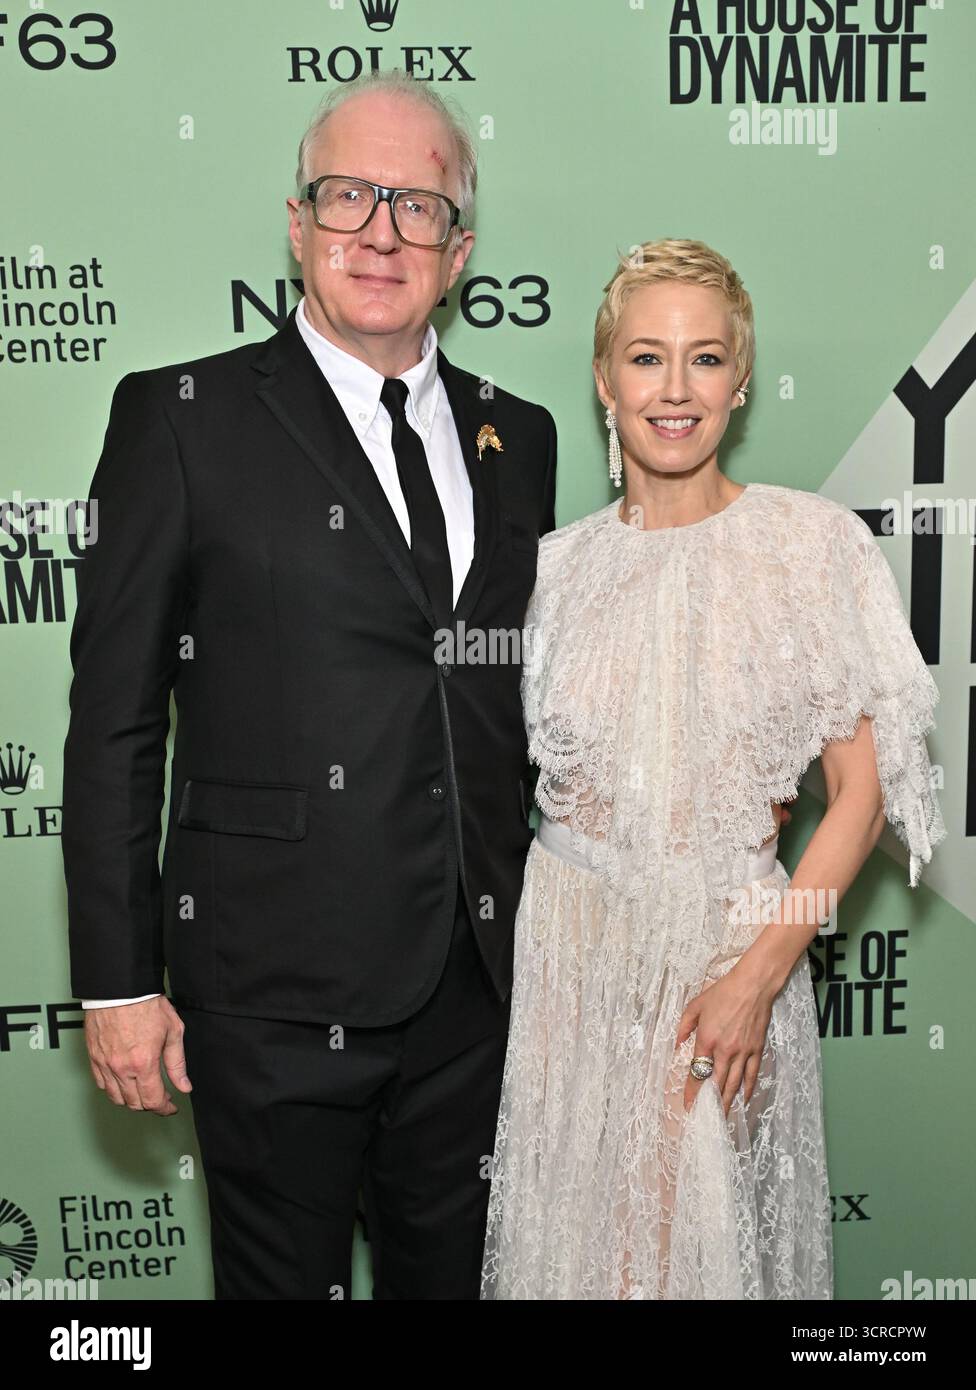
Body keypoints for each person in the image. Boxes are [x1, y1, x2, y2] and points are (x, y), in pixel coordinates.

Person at [61, 70, 556, 1300]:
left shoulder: (525, 436)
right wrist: (121, 983)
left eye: (417, 205)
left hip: (475, 990)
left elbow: (526, 705)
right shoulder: (181, 418)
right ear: (297, 225)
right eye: (348, 196)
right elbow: (115, 719)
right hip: (270, 995)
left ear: (461, 250)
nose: (380, 231)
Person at [479, 238, 946, 1301]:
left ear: (740, 380)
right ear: (604, 379)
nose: (674, 390)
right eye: (646, 359)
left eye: (703, 359)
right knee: (581, 1260)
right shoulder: (550, 574)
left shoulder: (807, 546)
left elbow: (859, 798)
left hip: (725, 960)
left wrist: (753, 979)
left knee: (685, 1257)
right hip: (573, 958)